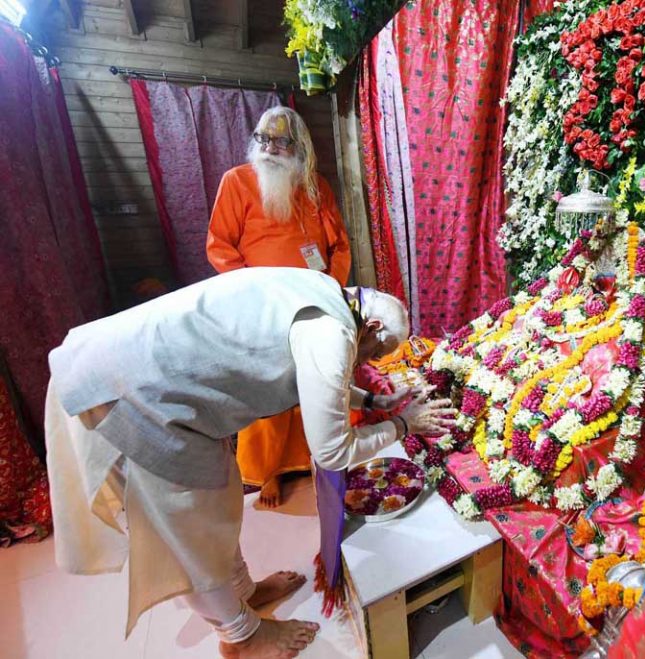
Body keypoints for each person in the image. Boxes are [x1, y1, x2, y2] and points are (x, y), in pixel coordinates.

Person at [45, 267, 455, 659]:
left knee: (217, 505)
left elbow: (317, 373)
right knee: (191, 530)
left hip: (140, 379)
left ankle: (242, 593)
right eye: (376, 352)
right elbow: (332, 452)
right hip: (124, 396)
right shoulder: (331, 332)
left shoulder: (331, 296)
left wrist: (372, 401)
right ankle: (240, 638)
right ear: (372, 327)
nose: (368, 362)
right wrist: (403, 425)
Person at [207, 106, 352, 508]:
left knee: (317, 378)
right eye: (263, 138)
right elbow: (219, 245)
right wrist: (252, 292)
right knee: (269, 386)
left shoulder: (314, 185)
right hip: (262, 304)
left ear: (298, 146)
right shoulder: (236, 181)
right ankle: (269, 470)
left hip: (312, 299)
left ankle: (315, 458)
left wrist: (330, 290)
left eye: (280, 140)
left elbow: (339, 245)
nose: (270, 147)